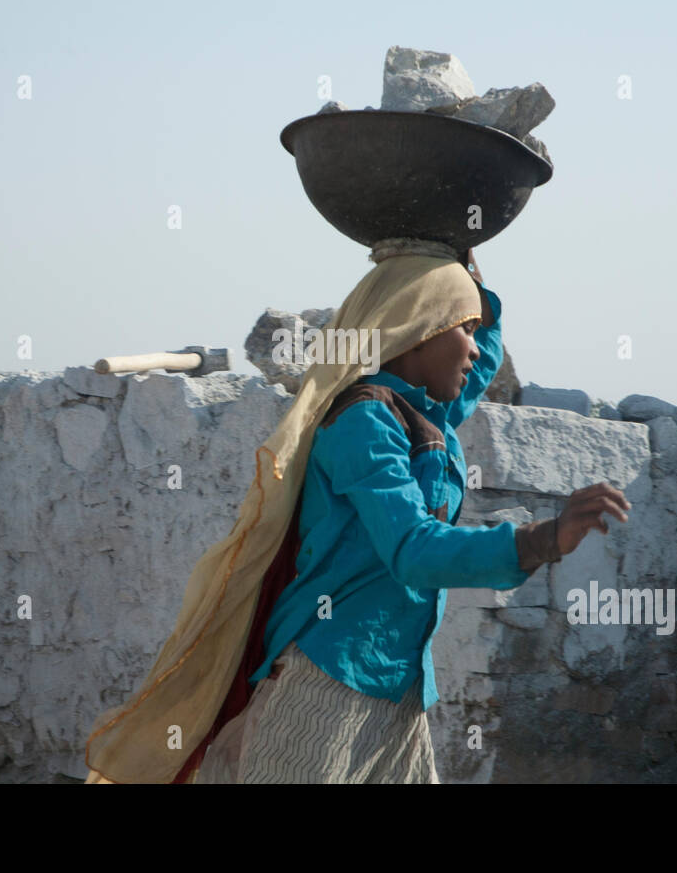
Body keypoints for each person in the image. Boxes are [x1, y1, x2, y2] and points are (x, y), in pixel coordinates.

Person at [84, 241, 630, 784]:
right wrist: (541, 539)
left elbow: (475, 365)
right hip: (327, 680)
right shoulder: (363, 422)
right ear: (416, 331)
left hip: (397, 686)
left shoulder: (423, 417)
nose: (473, 351)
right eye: (462, 329)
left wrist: (475, 291)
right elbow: (414, 549)